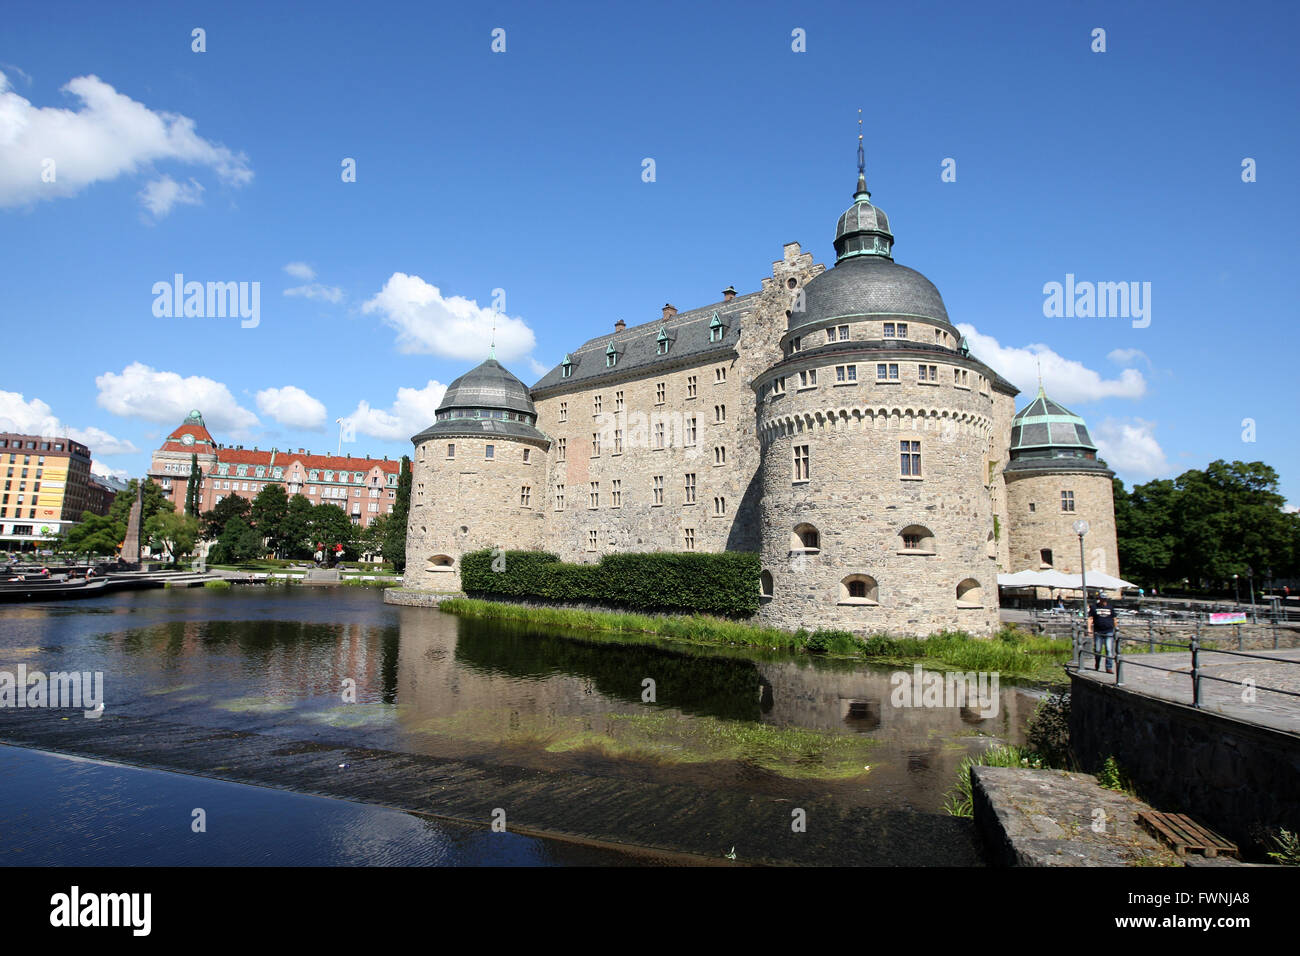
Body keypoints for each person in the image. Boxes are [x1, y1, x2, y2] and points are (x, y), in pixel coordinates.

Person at [1088, 592, 1118, 673]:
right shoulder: (1094, 607)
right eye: (1102, 599)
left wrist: (1116, 629)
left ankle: (1109, 667)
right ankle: (1097, 663)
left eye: (1105, 599)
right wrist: (1089, 629)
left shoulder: (1110, 607)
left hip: (1109, 630)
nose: (1103, 601)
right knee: (1098, 650)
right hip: (1098, 631)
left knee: (1109, 649)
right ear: (1099, 599)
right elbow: (1090, 619)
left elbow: (1114, 619)